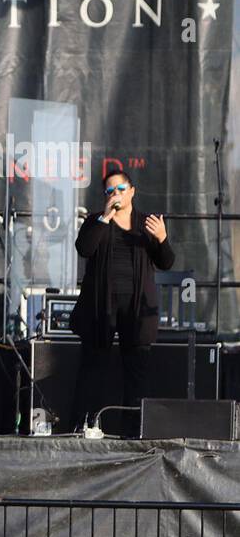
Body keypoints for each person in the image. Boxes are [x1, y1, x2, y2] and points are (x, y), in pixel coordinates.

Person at [71, 170, 175, 430]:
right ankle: (87, 426)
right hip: (101, 306)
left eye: (120, 189)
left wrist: (162, 238)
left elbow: (166, 262)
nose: (115, 194)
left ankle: (133, 431)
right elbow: (84, 249)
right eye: (109, 191)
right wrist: (105, 218)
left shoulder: (146, 224)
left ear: (132, 191)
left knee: (136, 374)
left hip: (136, 308)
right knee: (93, 370)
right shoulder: (96, 220)